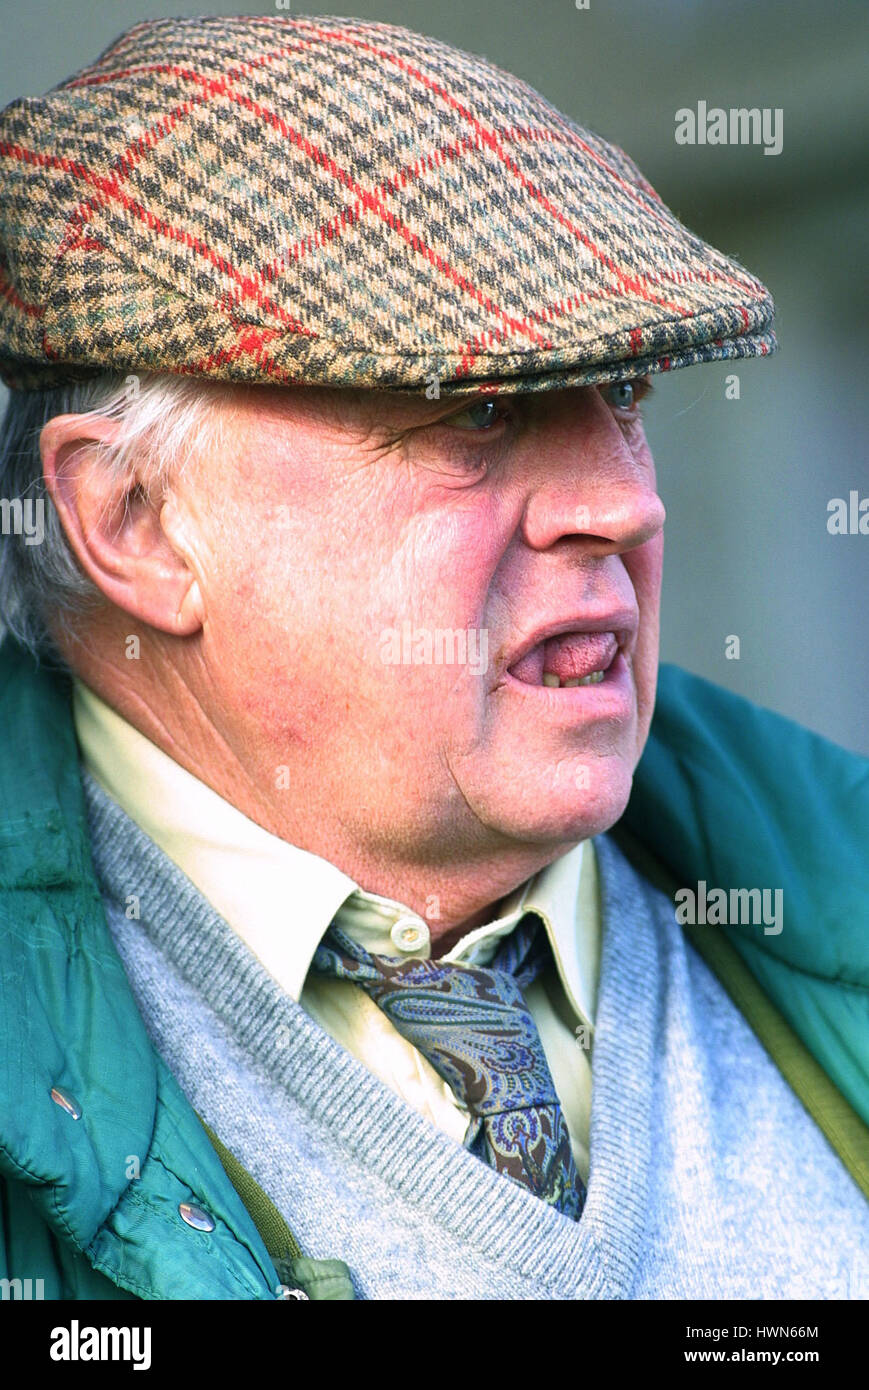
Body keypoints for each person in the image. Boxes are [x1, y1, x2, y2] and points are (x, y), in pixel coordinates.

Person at [0, 14, 866, 1302]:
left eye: (623, 399)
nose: (623, 507)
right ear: (134, 520)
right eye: (483, 412)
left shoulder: (828, 883)